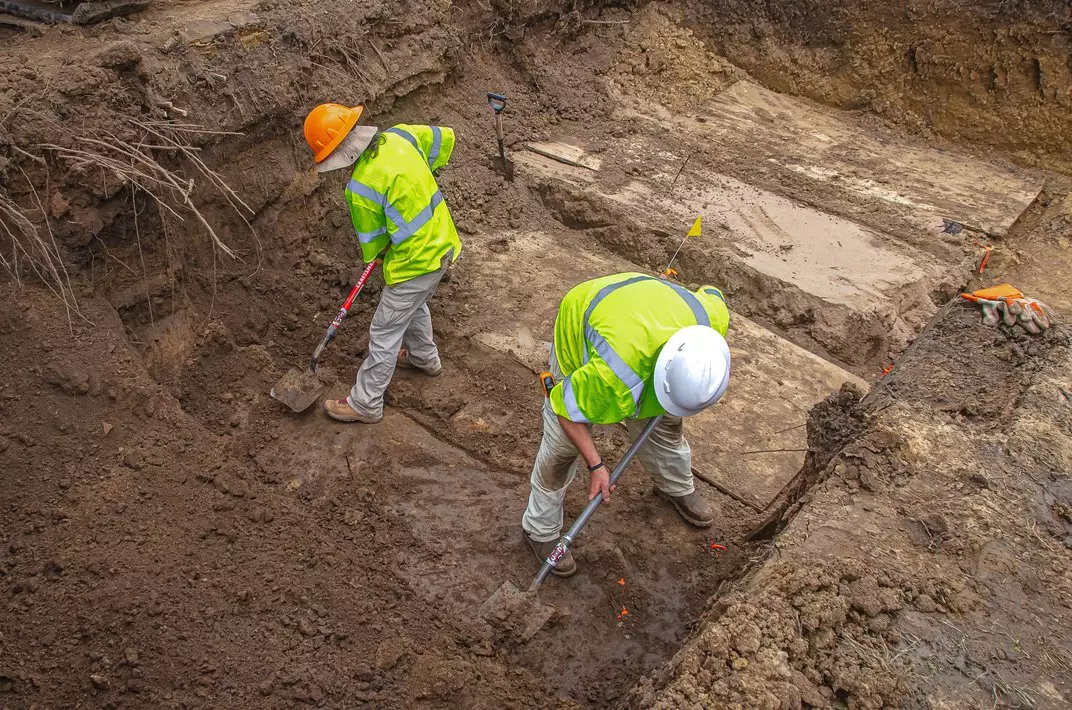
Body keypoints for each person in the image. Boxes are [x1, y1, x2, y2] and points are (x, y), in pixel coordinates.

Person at [521, 272, 732, 576]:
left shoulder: (709, 325)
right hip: (584, 321)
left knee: (666, 425)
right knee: (561, 451)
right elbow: (565, 411)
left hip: (636, 308)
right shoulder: (614, 376)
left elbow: (713, 291)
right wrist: (596, 466)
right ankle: (538, 530)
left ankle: (674, 485)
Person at [303, 103, 462, 423]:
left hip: (416, 262)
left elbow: (374, 246)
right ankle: (424, 358)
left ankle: (366, 403)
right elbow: (445, 139)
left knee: (385, 330)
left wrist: (388, 239)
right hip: (444, 243)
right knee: (414, 305)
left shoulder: (360, 187)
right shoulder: (400, 136)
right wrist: (422, 175)